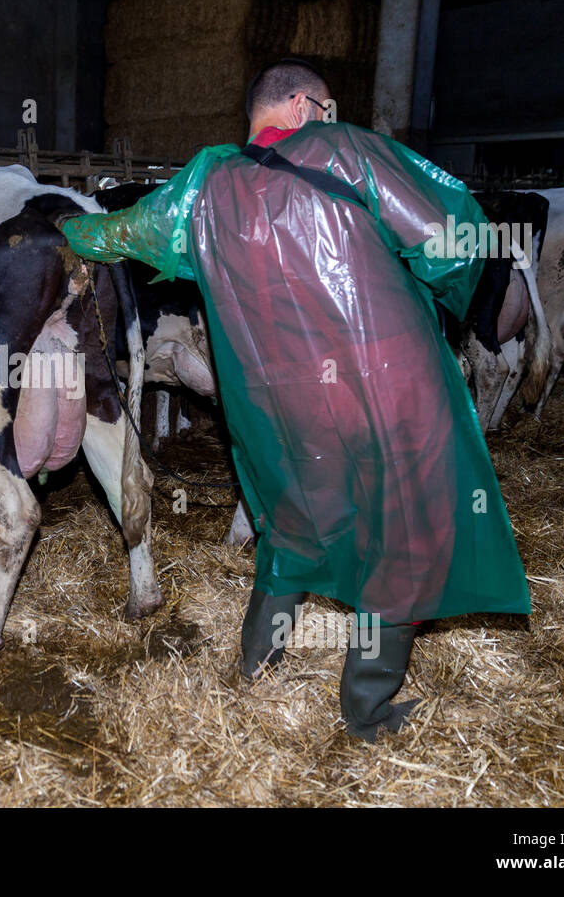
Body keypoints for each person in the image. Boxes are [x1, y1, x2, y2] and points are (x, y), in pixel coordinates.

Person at [62, 59, 530, 742]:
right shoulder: (347, 152)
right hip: (389, 393)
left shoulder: (206, 187)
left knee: (292, 527)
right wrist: (492, 296)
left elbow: (123, 231)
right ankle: (366, 712)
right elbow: (443, 234)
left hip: (284, 411)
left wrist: (62, 233)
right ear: (309, 106)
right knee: (402, 538)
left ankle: (256, 668)